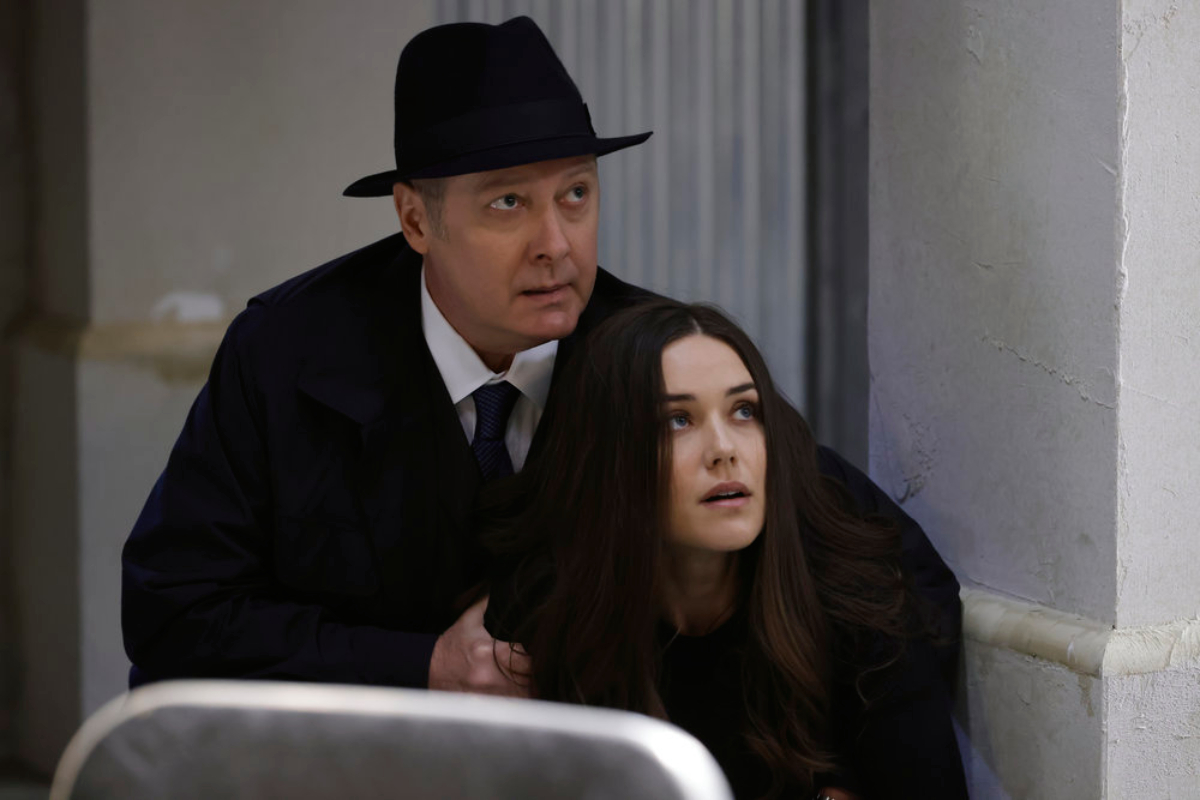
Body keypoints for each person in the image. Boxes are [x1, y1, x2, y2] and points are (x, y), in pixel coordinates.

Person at [122, 15, 960, 703]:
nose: (555, 243)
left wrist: (844, 776)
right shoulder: (288, 353)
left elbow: (905, 579)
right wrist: (421, 666)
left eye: (576, 194)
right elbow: (173, 617)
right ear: (415, 221)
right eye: (508, 203)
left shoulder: (653, 355)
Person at [484, 299, 969, 800]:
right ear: (614, 461)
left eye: (744, 411)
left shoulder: (858, 612)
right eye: (677, 420)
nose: (723, 449)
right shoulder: (554, 614)